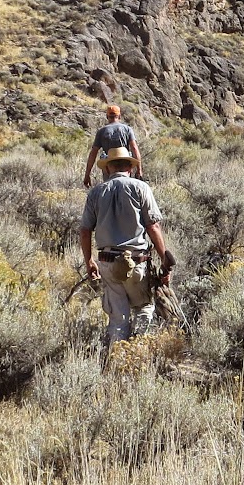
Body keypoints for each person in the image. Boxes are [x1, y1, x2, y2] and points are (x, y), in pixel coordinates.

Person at [78, 145, 175, 348]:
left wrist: (89, 261)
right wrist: (164, 258)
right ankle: (139, 352)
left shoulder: (96, 192)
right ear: (130, 167)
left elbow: (85, 231)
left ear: (108, 169)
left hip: (106, 262)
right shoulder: (141, 188)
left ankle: (118, 358)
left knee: (117, 318)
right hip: (137, 262)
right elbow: (153, 226)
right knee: (143, 308)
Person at [83, 104, 143, 186]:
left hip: (109, 167)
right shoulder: (127, 129)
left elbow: (93, 153)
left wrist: (87, 174)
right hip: (125, 165)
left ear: (107, 116)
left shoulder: (101, 131)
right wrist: (139, 170)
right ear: (119, 116)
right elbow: (134, 149)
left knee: (109, 189)